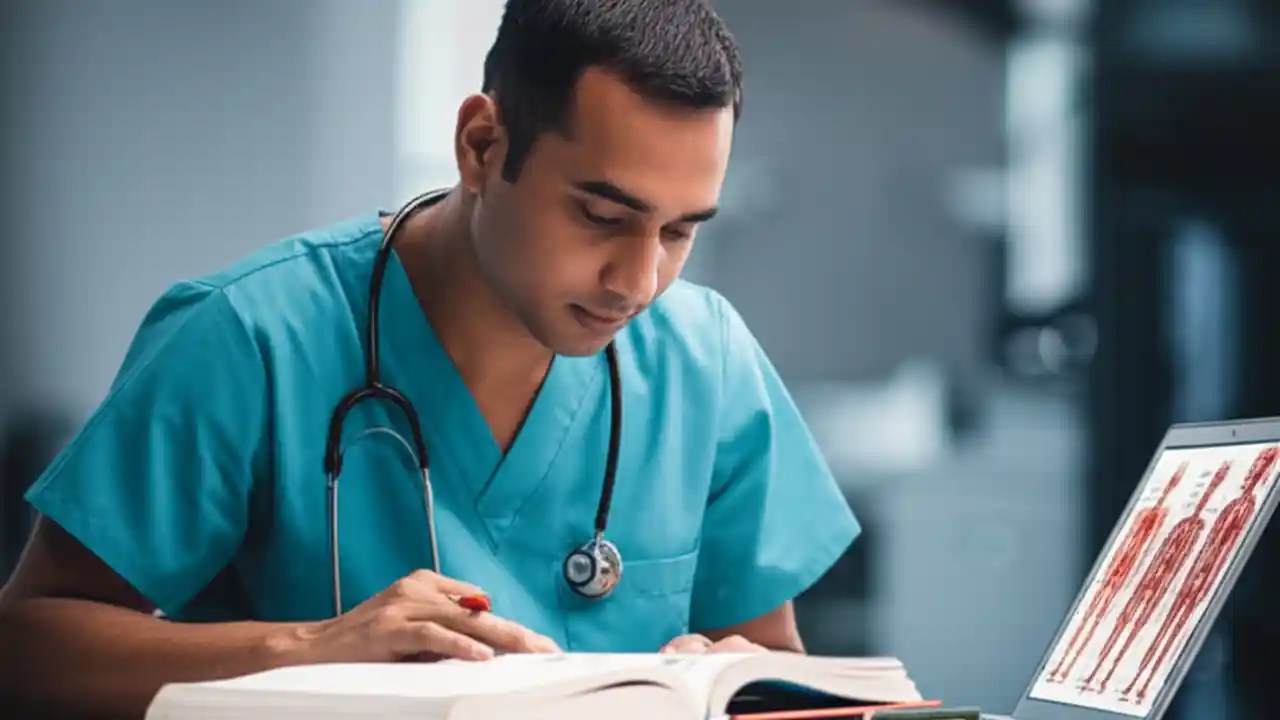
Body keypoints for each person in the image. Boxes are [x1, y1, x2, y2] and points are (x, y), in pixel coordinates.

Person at [0, 1, 860, 717]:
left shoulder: (705, 361)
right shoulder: (248, 337)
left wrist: (713, 675)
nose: (639, 282)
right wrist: (311, 649)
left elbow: (767, 666)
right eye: (602, 216)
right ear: (482, 146)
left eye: (679, 232)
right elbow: (27, 649)